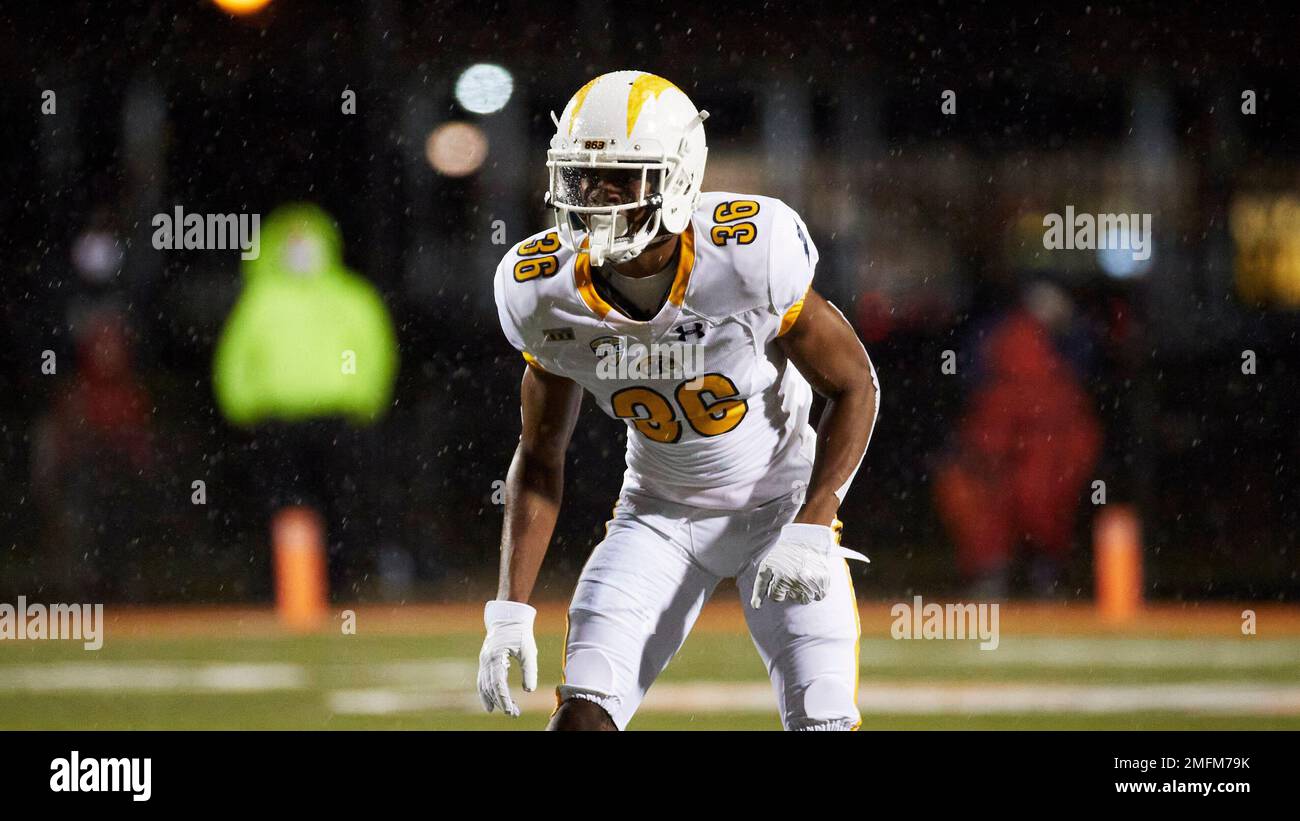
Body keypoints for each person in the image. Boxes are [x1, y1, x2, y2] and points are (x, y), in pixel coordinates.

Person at [477, 71, 880, 730]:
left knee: (823, 718)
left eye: (623, 179)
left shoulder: (748, 253)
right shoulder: (542, 290)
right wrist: (511, 608)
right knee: (581, 716)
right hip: (659, 515)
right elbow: (540, 453)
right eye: (583, 178)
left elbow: (855, 382)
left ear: (678, 179)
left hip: (779, 506)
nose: (598, 199)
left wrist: (815, 517)